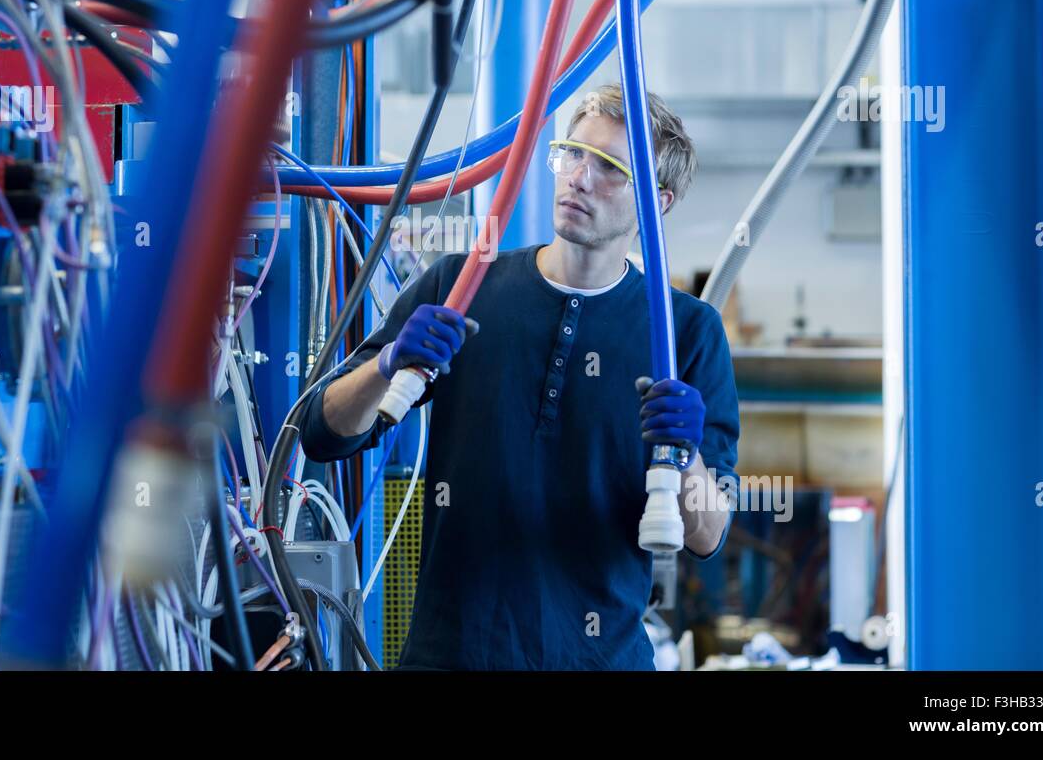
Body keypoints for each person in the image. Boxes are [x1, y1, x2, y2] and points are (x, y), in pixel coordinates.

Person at [297, 83, 740, 670]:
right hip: (450, 658)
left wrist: (688, 457)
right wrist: (384, 366)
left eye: (609, 167)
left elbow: (707, 533)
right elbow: (321, 433)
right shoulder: (462, 285)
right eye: (572, 153)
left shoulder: (687, 332)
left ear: (657, 203)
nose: (578, 177)